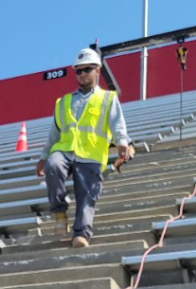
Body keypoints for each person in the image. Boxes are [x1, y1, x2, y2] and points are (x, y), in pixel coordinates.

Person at [34, 48, 130, 249]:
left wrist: (123, 143)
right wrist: (44, 157)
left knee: (86, 195)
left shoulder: (108, 98)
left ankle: (81, 234)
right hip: (65, 150)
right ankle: (59, 213)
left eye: (87, 69)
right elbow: (54, 133)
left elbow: (117, 123)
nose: (82, 74)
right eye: (78, 71)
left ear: (97, 70)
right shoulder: (63, 102)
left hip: (91, 154)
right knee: (53, 166)